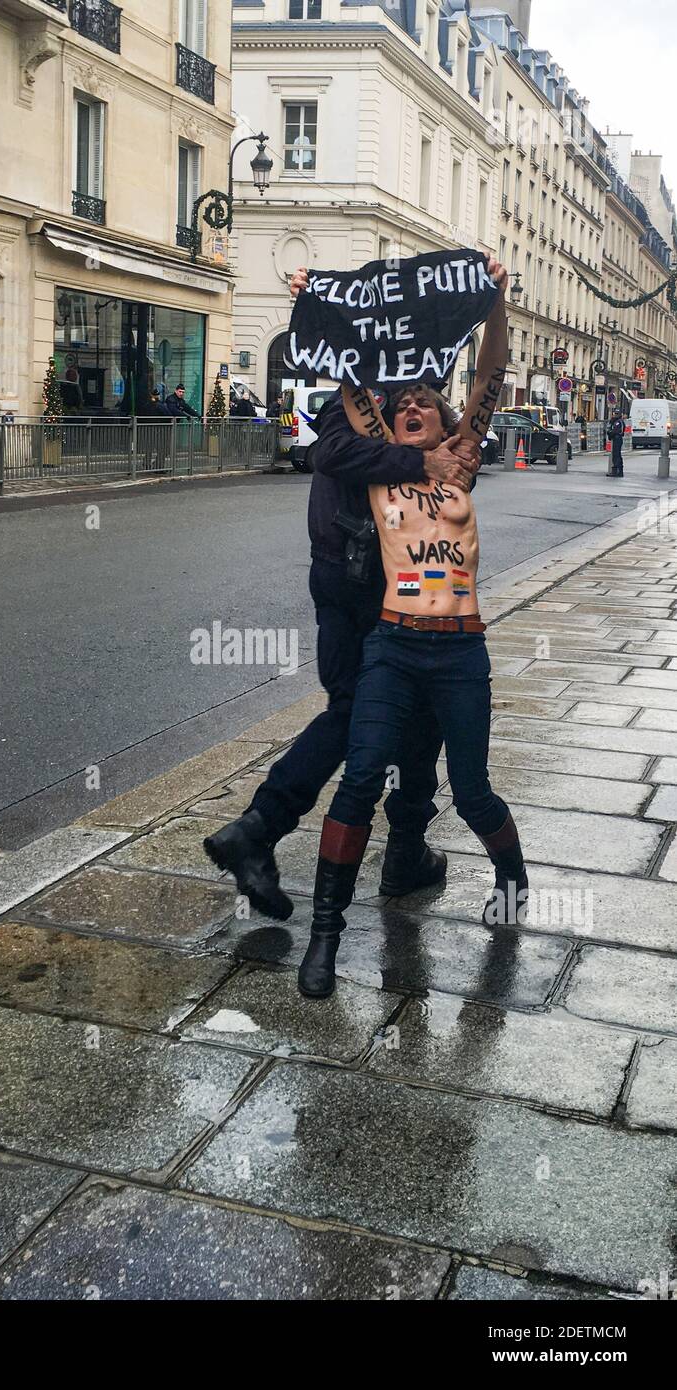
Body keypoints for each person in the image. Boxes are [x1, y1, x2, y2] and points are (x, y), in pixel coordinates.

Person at [204, 268, 481, 921]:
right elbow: (331, 453)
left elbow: (468, 442)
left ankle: (266, 831)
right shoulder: (363, 395)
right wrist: (421, 462)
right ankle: (379, 848)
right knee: (399, 713)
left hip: (379, 580)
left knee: (374, 714)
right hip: (366, 584)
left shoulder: (408, 396)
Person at [298, 257, 528, 999]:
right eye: (403, 406)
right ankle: (325, 941)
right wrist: (318, 310)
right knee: (361, 776)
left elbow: (492, 364)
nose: (414, 406)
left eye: (428, 400)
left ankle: (513, 881)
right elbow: (350, 381)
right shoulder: (384, 475)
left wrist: (495, 300)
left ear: (448, 421)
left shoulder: (460, 466)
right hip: (393, 648)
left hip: (460, 655)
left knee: (473, 793)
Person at [608, 410, 625, 477]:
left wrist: (610, 433)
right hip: (616, 438)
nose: (614, 415)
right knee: (616, 455)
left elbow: (616, 431)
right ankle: (616, 471)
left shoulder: (619, 422)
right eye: (614, 414)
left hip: (617, 438)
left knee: (617, 455)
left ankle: (617, 471)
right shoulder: (616, 421)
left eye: (616, 414)